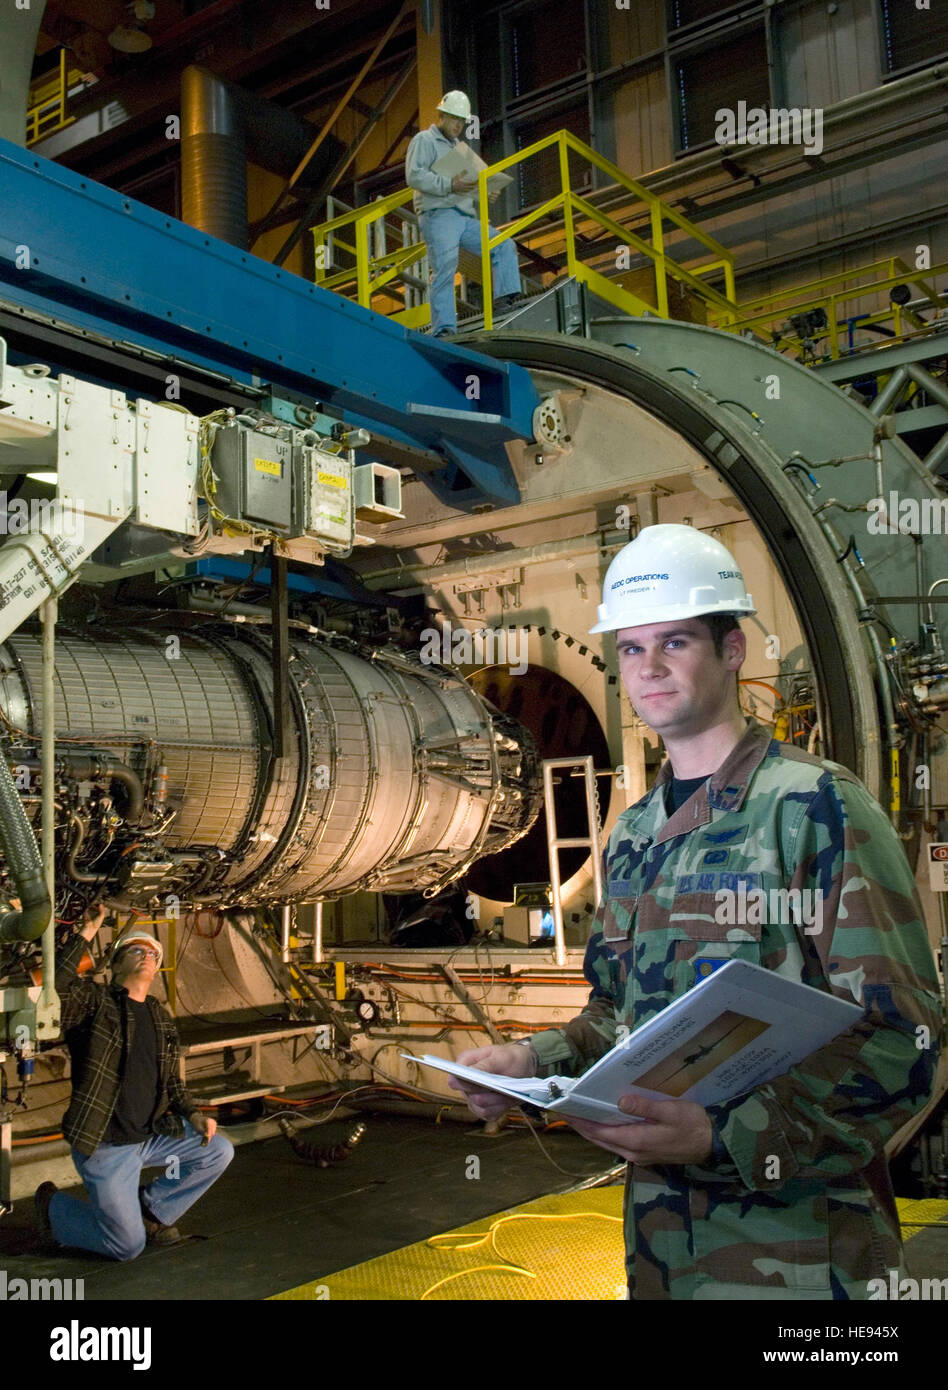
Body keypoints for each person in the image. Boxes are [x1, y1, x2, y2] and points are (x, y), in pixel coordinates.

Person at [452, 523, 941, 1300]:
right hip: (660, 1254)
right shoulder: (637, 833)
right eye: (632, 649)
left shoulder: (814, 806)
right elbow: (619, 1020)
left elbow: (902, 1042)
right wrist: (531, 1062)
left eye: (675, 642)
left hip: (802, 1260)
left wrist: (723, 1134)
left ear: (733, 649)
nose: (649, 669)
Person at [34, 905, 234, 1260]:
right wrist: (86, 933)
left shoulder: (159, 1015)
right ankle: (54, 1208)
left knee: (219, 1151)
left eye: (153, 954)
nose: (147, 956)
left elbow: (172, 1081)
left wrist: (195, 1115)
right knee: (126, 1247)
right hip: (106, 1147)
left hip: (151, 1137)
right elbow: (57, 986)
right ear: (116, 964)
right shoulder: (95, 1003)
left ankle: (150, 1210)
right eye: (137, 950)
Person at [405, 89, 522, 336]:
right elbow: (414, 176)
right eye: (454, 119)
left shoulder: (461, 149)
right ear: (442, 115)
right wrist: (449, 185)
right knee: (446, 267)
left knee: (503, 244)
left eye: (462, 121)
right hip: (439, 214)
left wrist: (487, 191)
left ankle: (505, 301)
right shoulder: (424, 141)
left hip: (464, 216)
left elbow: (467, 183)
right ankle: (444, 328)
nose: (458, 125)